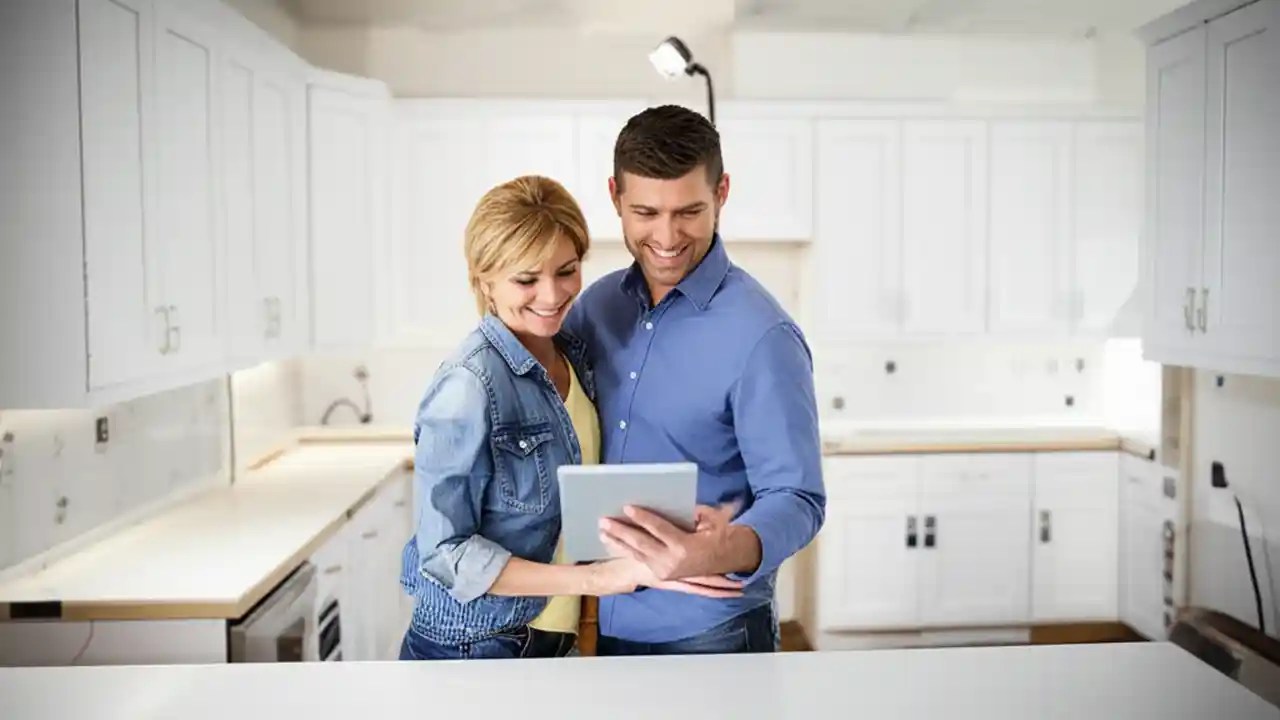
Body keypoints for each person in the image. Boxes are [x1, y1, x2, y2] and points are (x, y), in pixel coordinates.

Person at [397, 175, 743, 662]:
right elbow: (444, 553)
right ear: (484, 278)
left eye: (566, 270)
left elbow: (571, 497)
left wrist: (674, 522)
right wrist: (595, 579)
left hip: (550, 640)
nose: (552, 294)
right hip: (476, 646)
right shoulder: (468, 386)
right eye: (526, 279)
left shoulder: (573, 356)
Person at [562, 105, 826, 656]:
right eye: (645, 212)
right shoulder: (594, 309)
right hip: (604, 618)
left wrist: (725, 549)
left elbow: (798, 497)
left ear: (722, 193)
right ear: (615, 197)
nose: (666, 235)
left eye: (689, 211)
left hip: (713, 630)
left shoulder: (763, 335)